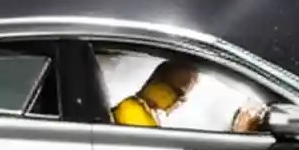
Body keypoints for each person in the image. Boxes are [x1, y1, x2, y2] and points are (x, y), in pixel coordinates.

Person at [112, 59, 269, 133]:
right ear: (156, 81)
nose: (181, 102)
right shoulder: (133, 114)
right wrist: (240, 136)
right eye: (178, 93)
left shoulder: (138, 110)